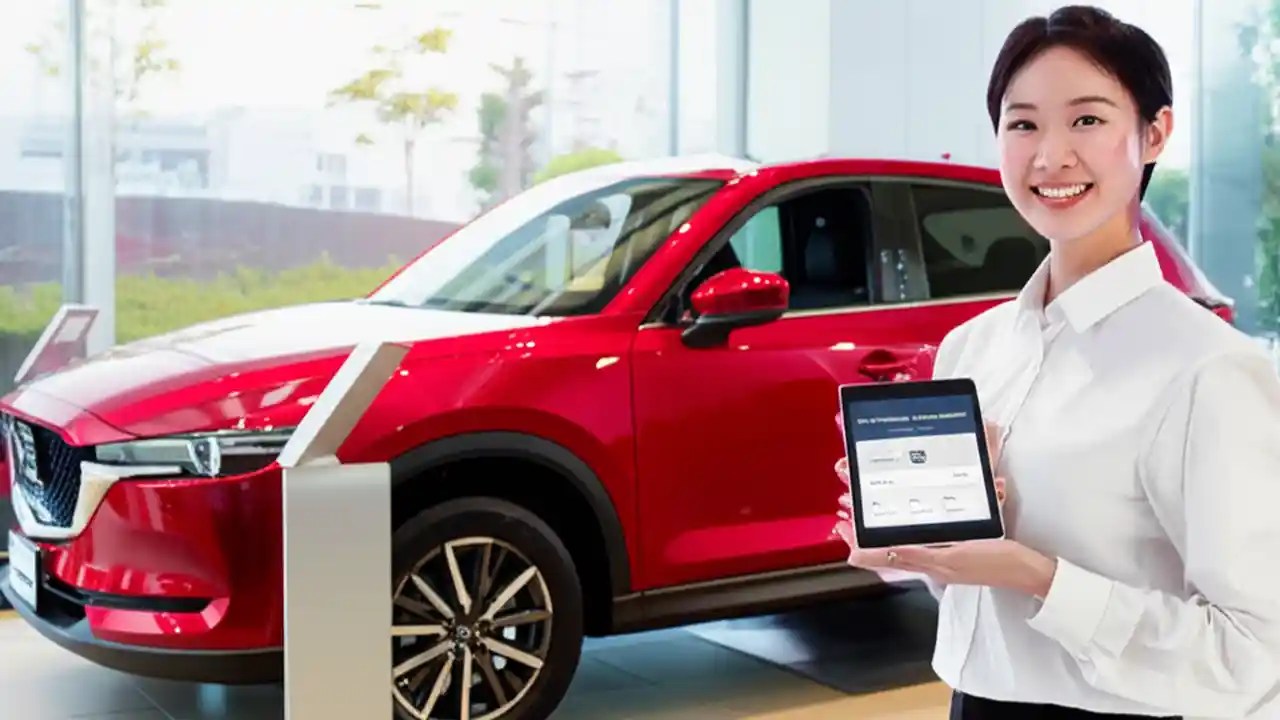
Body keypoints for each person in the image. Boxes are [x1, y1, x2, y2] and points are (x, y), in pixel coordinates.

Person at [832, 6, 1280, 719]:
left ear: (1154, 132)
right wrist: (914, 545)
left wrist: (1040, 578)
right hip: (973, 705)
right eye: (1023, 124)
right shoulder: (973, 349)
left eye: (1088, 120)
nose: (1050, 156)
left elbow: (1254, 656)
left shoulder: (1210, 370)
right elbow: (966, 595)